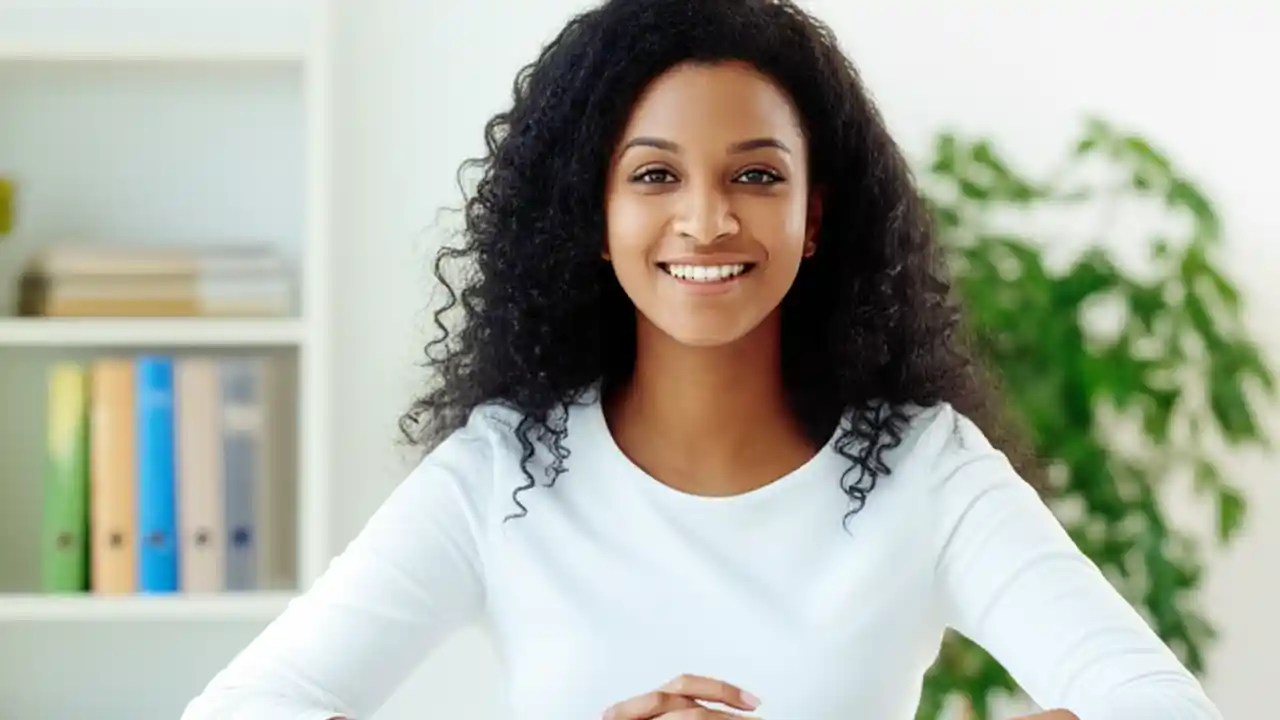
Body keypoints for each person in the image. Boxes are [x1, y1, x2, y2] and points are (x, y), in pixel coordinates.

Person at [183, 1, 1224, 718]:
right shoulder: (501, 472)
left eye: (756, 175)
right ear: (592, 217)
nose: (707, 219)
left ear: (815, 217)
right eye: (652, 176)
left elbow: (1158, 705)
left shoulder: (924, 468)